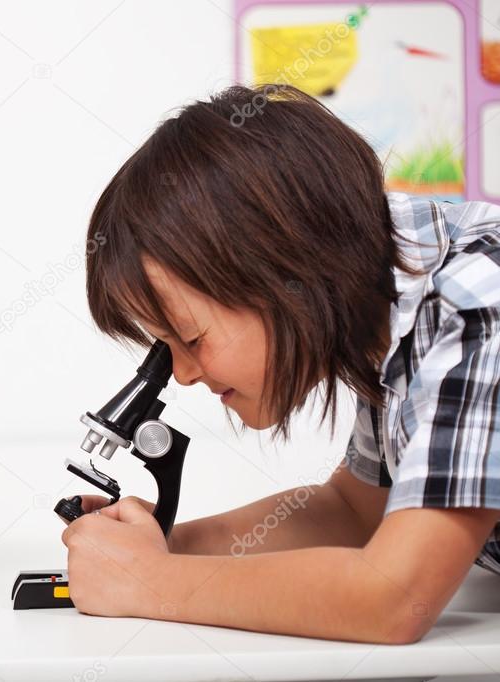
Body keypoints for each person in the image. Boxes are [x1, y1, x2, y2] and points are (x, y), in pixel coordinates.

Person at [63, 84, 500, 644]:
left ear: (287, 272)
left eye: (191, 338)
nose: (184, 374)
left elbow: (396, 596)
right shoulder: (388, 303)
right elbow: (354, 511)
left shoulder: (476, 301)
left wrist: (151, 581)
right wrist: (162, 544)